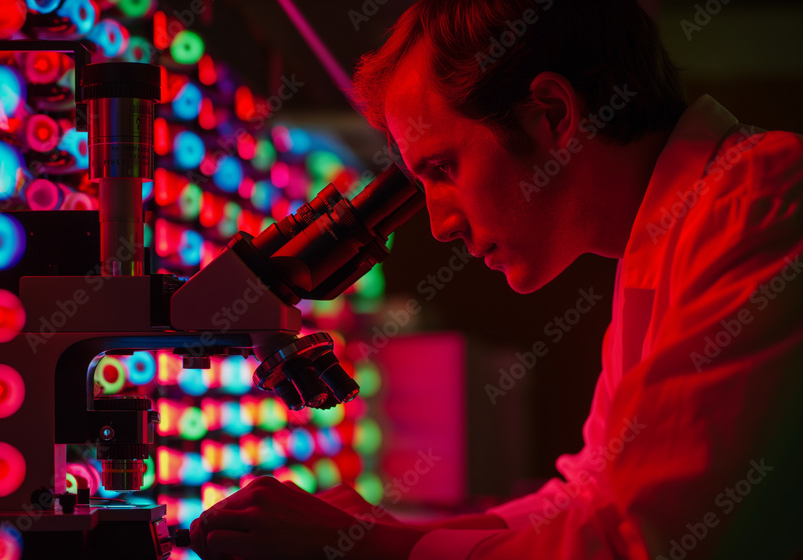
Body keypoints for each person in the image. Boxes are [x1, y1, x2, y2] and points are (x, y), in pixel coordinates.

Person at [190, 1, 803, 558]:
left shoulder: (762, 203)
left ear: (553, 115)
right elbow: (589, 494)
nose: (437, 224)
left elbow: (640, 545)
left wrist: (368, 550)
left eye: (442, 167)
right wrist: (390, 536)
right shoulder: (667, 236)